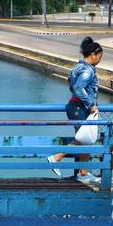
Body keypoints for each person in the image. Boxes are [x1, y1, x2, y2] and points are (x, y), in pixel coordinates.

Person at [47, 37, 104, 184]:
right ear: (94, 54)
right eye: (100, 57)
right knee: (84, 139)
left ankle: (83, 173)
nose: (99, 60)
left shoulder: (77, 67)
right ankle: (56, 157)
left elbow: (72, 87)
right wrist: (91, 104)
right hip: (80, 108)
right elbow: (79, 88)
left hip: (74, 106)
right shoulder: (88, 71)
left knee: (86, 140)